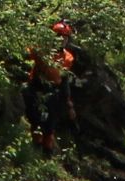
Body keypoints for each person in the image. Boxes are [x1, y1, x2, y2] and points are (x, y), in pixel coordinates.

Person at [24, 21, 79, 151]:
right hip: (36, 86)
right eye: (59, 36)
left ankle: (47, 147)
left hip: (53, 90)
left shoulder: (68, 57)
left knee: (51, 117)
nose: (61, 40)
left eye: (64, 37)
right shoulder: (40, 50)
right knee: (35, 114)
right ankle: (36, 141)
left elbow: (64, 81)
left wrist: (69, 104)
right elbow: (26, 59)